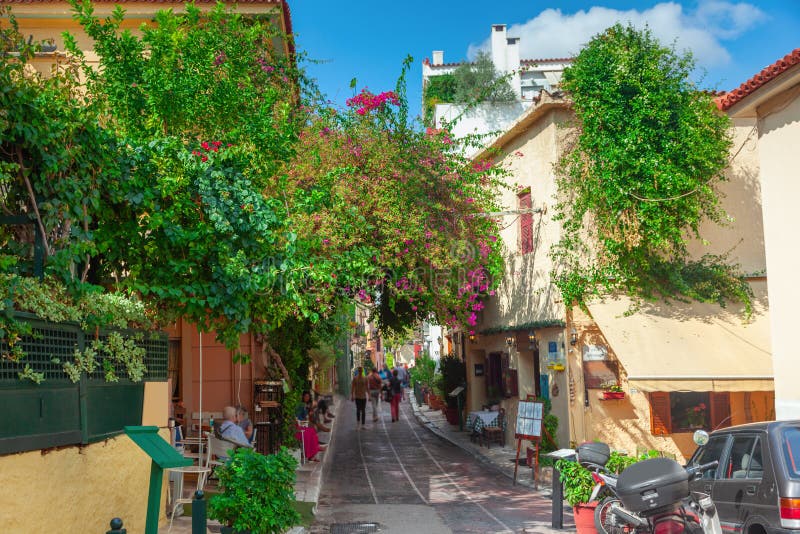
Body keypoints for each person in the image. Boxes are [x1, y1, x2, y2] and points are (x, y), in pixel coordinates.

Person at [295, 392, 325, 461]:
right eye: (305, 396)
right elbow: (299, 418)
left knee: (312, 431)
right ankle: (312, 452)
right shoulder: (300, 405)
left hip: (303, 424)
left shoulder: (306, 405)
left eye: (308, 397)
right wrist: (306, 418)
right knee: (309, 432)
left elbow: (307, 417)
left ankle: (313, 453)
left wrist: (309, 415)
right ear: (302, 397)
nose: (307, 398)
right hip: (299, 425)